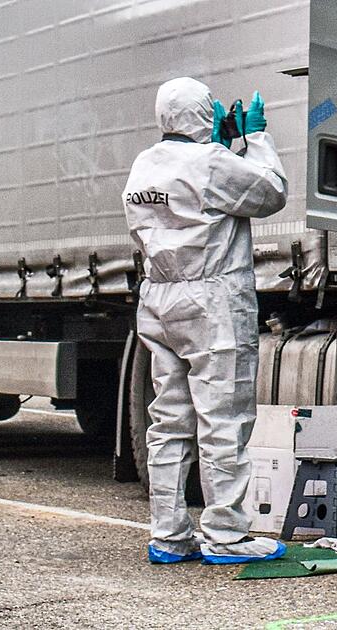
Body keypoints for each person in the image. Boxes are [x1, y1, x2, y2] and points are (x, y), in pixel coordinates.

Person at [123, 77, 288, 565]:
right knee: (223, 420)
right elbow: (271, 191)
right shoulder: (213, 164)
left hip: (158, 297)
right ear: (200, 112)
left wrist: (216, 143)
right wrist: (254, 137)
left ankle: (169, 535)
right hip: (212, 300)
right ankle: (227, 534)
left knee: (169, 422)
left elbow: (191, 197)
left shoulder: (144, 165)